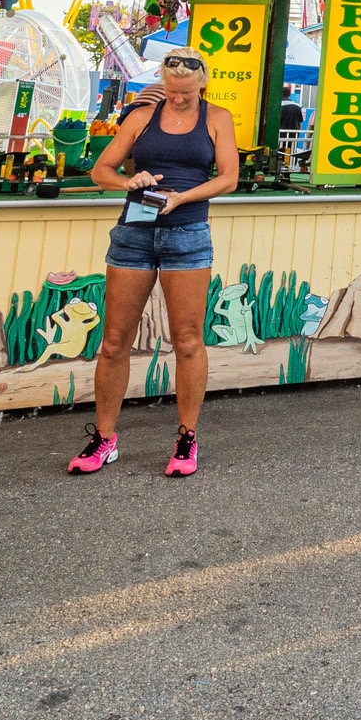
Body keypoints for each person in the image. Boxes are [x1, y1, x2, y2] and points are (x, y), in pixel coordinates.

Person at [73, 51, 241, 477]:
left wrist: (182, 197)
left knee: (186, 340)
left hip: (187, 232)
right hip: (134, 233)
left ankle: (187, 438)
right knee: (114, 340)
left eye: (186, 92)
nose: (178, 98)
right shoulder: (142, 116)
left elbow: (228, 178)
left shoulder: (218, 117)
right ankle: (105, 438)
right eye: (171, 90)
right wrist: (130, 181)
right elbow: (100, 170)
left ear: (202, 84)